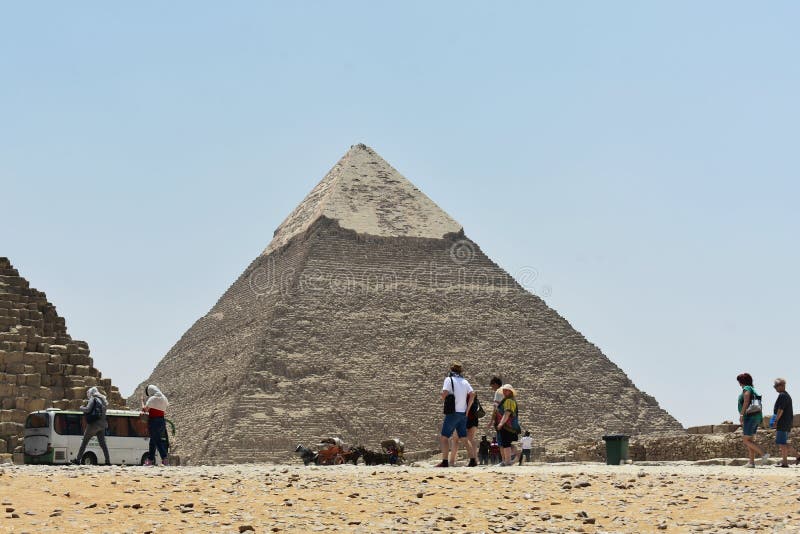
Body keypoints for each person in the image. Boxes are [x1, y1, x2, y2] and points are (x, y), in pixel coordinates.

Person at [436, 362, 474, 468]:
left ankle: (444, 461)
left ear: (451, 370)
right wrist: (467, 409)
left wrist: (444, 398)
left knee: (444, 437)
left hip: (452, 413)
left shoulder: (449, 379)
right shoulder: (465, 381)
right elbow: (472, 394)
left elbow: (444, 393)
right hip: (463, 413)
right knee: (464, 438)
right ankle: (473, 460)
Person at [737, 373, 768, 468]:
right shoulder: (752, 388)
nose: (738, 383)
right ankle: (751, 462)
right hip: (756, 417)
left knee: (745, 440)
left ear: (742, 381)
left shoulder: (746, 388)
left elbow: (746, 401)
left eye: (739, 381)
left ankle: (764, 454)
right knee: (750, 440)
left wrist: (741, 414)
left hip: (749, 417)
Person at [75, 386, 111, 465]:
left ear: (91, 392)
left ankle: (77, 460)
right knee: (103, 444)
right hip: (102, 425)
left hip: (94, 424)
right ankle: (107, 461)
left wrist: (81, 408)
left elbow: (88, 409)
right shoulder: (103, 400)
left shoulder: (93, 398)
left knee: (84, 442)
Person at [771, 378, 798, 467]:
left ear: (782, 385)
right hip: (786, 422)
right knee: (783, 442)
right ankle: (785, 462)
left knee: (782, 443)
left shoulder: (782, 395)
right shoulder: (786, 395)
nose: (775, 388)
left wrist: (776, 420)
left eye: (776, 386)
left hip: (782, 422)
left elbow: (780, 409)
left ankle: (797, 456)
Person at [141, 384, 170, 466]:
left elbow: (144, 410)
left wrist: (142, 401)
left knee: (157, 441)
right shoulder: (164, 398)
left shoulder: (152, 399)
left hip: (154, 421)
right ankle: (150, 460)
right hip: (162, 421)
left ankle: (164, 459)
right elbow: (165, 409)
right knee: (153, 441)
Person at [495, 384, 520, 466]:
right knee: (503, 443)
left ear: (510, 391)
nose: (504, 392)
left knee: (506, 443)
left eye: (506, 390)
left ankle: (508, 462)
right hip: (505, 426)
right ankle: (506, 461)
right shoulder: (506, 400)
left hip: (507, 426)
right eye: (503, 390)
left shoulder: (509, 401)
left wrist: (501, 423)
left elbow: (507, 413)